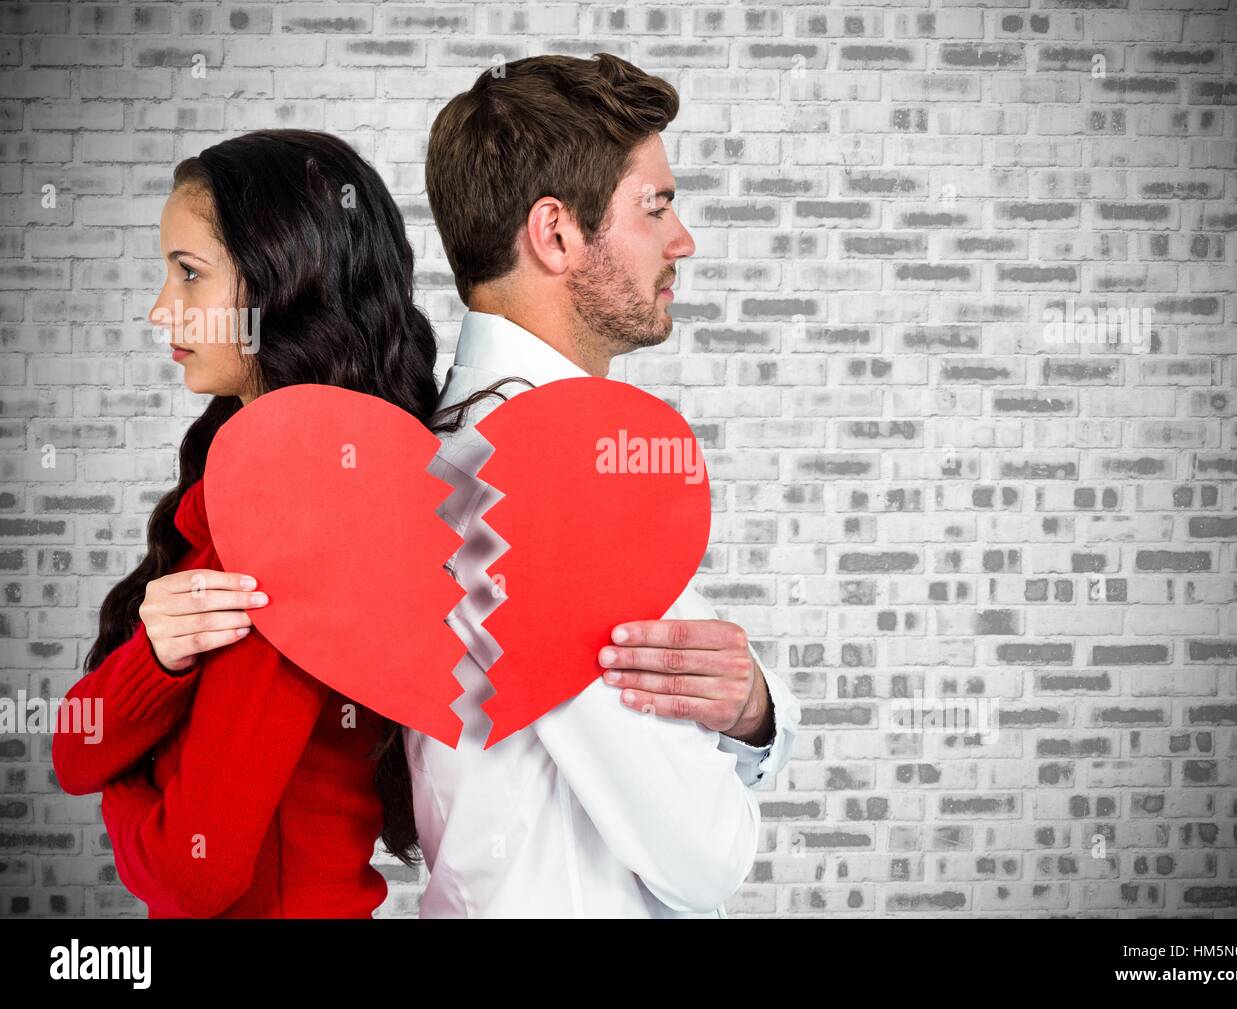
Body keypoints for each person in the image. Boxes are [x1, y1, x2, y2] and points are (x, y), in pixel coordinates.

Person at [408, 53, 802, 917]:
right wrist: (745, 741)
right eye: (653, 206)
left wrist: (752, 709)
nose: (683, 239)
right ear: (556, 234)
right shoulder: (537, 483)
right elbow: (707, 854)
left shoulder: (462, 443)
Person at [51, 129, 443, 917]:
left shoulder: (303, 513)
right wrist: (156, 662)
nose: (161, 310)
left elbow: (195, 872)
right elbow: (74, 747)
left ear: (280, 280)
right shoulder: (243, 481)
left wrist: (126, 783)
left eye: (189, 274)